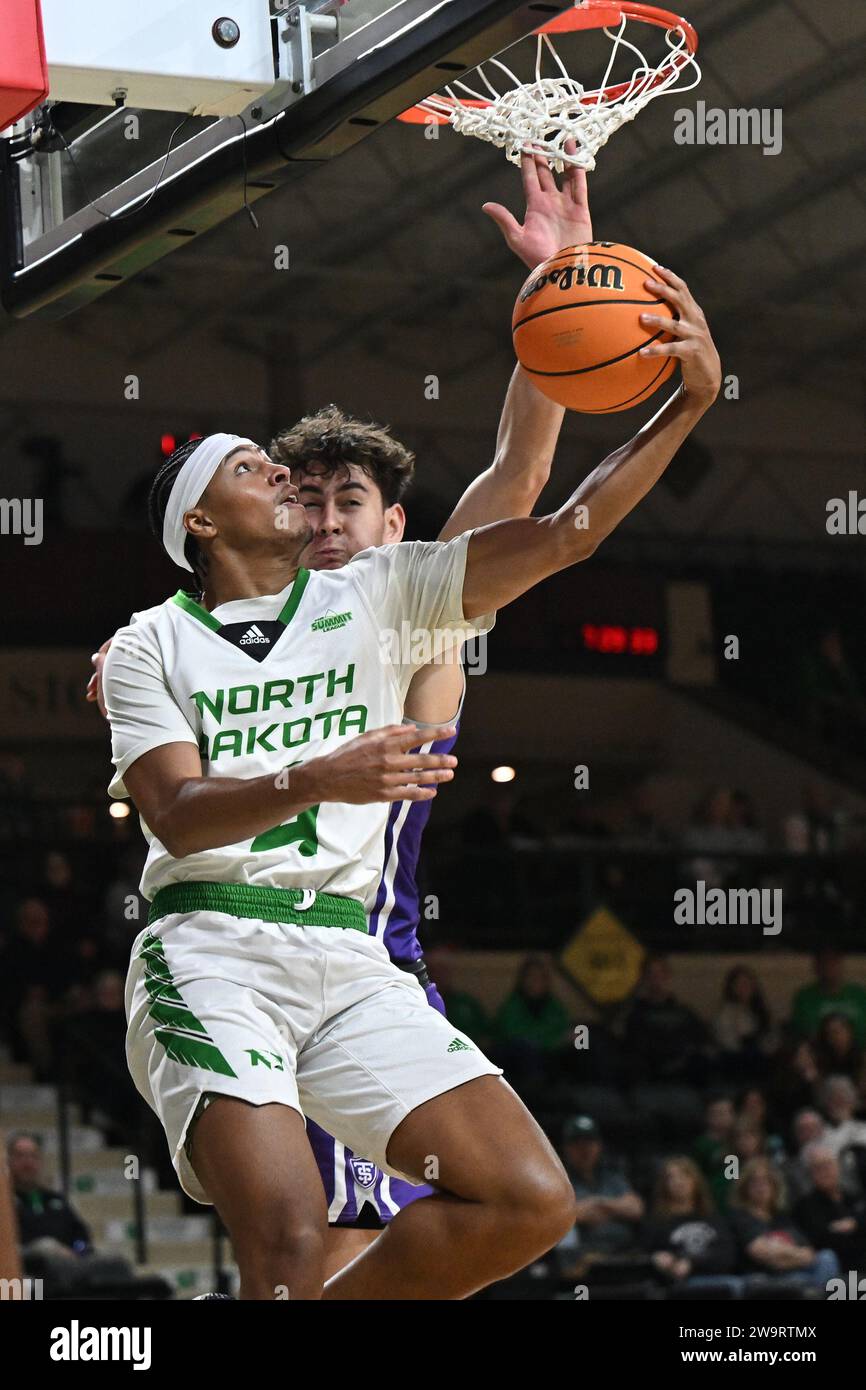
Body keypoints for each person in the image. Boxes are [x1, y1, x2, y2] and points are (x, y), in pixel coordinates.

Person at [100, 250, 720, 1296]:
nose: (302, 497)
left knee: (525, 1202)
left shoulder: (390, 598)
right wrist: (317, 774)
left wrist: (660, 380)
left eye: (341, 497)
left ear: (392, 525)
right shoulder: (150, 641)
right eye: (265, 473)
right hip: (218, 942)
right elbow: (174, 810)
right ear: (199, 523)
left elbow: (548, 516)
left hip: (359, 958)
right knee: (297, 1247)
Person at [729, 1156, 838, 1291]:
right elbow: (761, 1253)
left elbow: (809, 1254)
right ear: (745, 1187)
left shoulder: (781, 1217)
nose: (761, 1187)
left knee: (826, 1257)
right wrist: (792, 1254)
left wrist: (781, 1253)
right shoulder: (740, 1217)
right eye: (755, 1182)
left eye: (766, 1182)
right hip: (759, 1276)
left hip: (792, 1272)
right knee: (800, 1281)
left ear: (774, 1186)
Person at [555, 1116, 644, 1275]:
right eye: (577, 1143)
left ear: (599, 1146)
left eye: (589, 1142)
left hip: (623, 1254)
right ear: (567, 1148)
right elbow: (559, 1216)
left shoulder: (612, 1177)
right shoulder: (559, 1180)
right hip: (583, 1259)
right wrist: (615, 1209)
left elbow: (636, 1208)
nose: (584, 1149)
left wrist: (598, 1203)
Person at [641, 1156, 737, 1291]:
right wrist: (655, 1258)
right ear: (664, 1185)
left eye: (684, 1176)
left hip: (718, 1279)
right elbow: (644, 1254)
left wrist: (692, 1263)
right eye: (671, 1178)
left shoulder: (712, 1217)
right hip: (678, 1284)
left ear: (696, 1181)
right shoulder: (657, 1221)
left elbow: (727, 1256)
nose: (678, 1182)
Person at [492, 955, 573, 1092]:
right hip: (520, 1064)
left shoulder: (555, 1007)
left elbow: (565, 1032)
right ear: (522, 981)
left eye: (540, 978)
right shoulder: (512, 1006)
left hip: (550, 1060)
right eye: (531, 977)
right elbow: (516, 1038)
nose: (536, 982)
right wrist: (553, 1041)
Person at [7, 1132, 91, 1257]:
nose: (28, 1163)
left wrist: (78, 1251)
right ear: (8, 1161)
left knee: (113, 1261)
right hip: (26, 1263)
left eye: (33, 1156)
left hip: (67, 1263)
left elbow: (81, 1239)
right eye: (20, 1156)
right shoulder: (5, 1203)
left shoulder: (56, 1200)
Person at [794, 1143, 866, 1269]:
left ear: (838, 1166)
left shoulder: (854, 1197)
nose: (825, 1171)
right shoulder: (804, 1206)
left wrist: (855, 1225)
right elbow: (822, 1239)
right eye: (818, 1168)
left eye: (828, 1165)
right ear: (810, 1174)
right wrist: (857, 1225)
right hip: (841, 1268)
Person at [791, 949, 866, 1048]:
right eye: (824, 962)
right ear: (815, 967)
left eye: (833, 962)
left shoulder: (859, 995)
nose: (828, 967)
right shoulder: (804, 998)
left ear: (841, 964)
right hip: (818, 1053)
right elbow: (798, 1033)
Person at [712, 966, 773, 1081]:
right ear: (732, 988)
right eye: (740, 984)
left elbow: (772, 1035)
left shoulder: (761, 1010)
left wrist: (766, 1047)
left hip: (762, 1054)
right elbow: (728, 1042)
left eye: (748, 983)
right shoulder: (726, 1012)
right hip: (736, 1058)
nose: (745, 987)